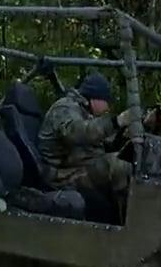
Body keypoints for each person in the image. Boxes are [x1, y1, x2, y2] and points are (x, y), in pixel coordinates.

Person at [39, 73, 139, 207]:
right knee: (119, 166)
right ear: (95, 99)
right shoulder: (64, 107)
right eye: (106, 101)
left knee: (126, 159)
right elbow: (77, 133)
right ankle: (126, 222)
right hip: (62, 176)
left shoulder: (86, 113)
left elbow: (102, 144)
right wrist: (117, 121)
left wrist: (125, 134)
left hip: (77, 169)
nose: (107, 107)